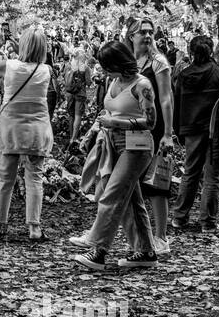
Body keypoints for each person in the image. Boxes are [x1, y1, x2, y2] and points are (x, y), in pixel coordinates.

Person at [68, 41, 159, 270]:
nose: (104, 70)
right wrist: (95, 130)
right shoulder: (113, 81)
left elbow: (151, 122)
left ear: (119, 62)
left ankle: (98, 249)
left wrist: (116, 122)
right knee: (130, 200)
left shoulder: (142, 85)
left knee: (113, 194)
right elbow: (109, 110)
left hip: (137, 147)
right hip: (112, 144)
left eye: (107, 65)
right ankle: (145, 251)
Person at [0, 26, 55, 241]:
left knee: (5, 179)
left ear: (22, 46)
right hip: (37, 127)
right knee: (35, 179)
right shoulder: (46, 70)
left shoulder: (9, 65)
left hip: (11, 126)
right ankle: (34, 227)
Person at [170, 36, 219, 232]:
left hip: (190, 130)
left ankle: (180, 217)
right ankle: (207, 221)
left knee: (190, 173)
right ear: (212, 51)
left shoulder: (184, 75)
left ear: (191, 52)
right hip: (218, 131)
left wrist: (178, 131)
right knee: (212, 177)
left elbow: (176, 105)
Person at [131, 18, 175, 258]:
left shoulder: (158, 62)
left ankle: (161, 237)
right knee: (132, 180)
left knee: (157, 182)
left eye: (150, 32)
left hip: (154, 129)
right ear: (131, 36)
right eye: (142, 32)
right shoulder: (130, 62)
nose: (147, 36)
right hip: (132, 127)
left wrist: (168, 134)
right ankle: (140, 234)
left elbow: (166, 98)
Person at [63, 47, 95, 147]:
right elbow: (89, 83)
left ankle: (70, 135)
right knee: (78, 116)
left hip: (70, 94)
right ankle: (74, 138)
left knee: (71, 115)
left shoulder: (68, 66)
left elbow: (65, 80)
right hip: (80, 94)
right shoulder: (86, 68)